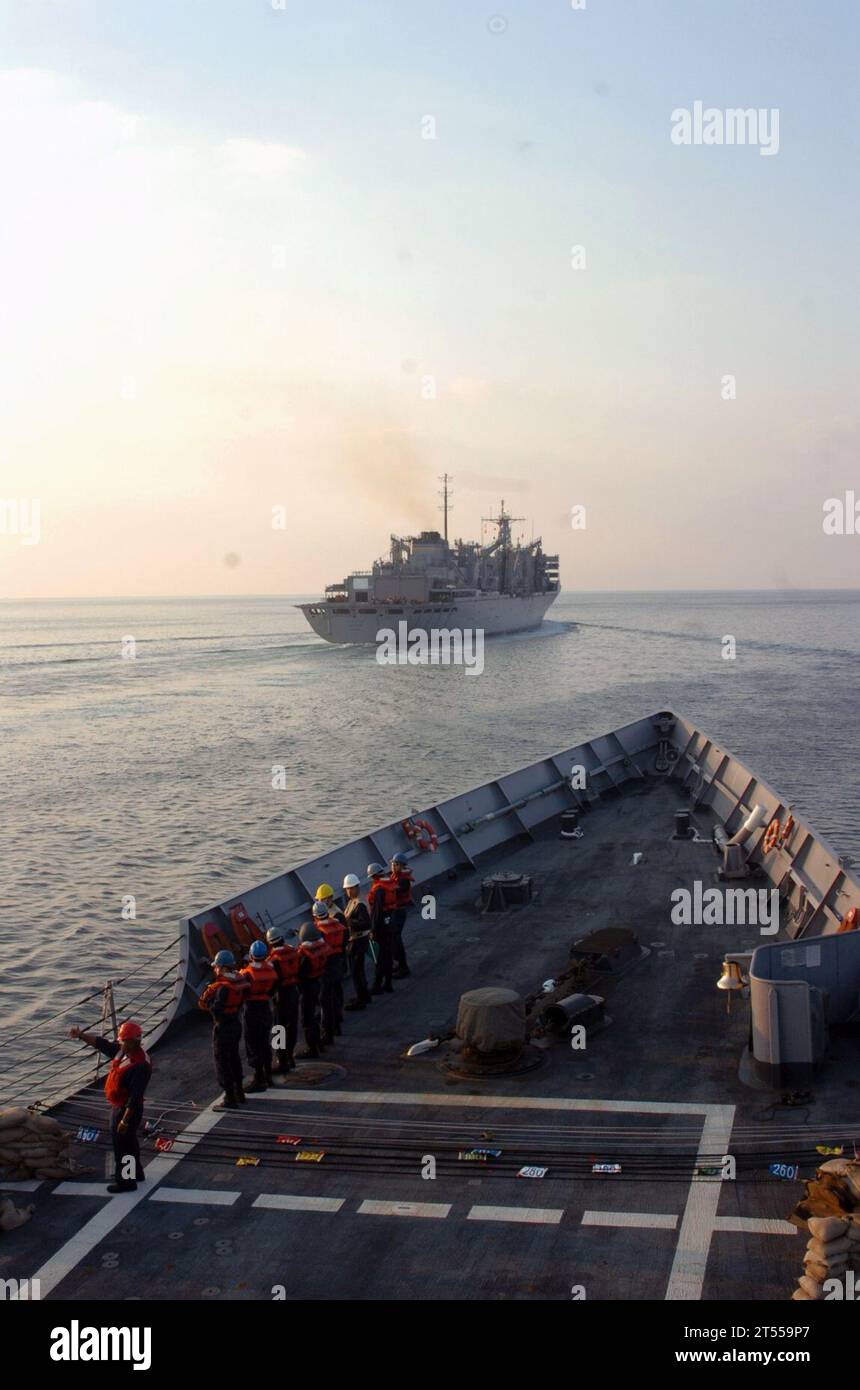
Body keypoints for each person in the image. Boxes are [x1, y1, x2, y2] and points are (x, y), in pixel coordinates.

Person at [68, 1019, 152, 1192]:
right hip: (121, 1107)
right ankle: (136, 1173)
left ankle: (127, 1182)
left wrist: (125, 1121)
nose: (119, 1043)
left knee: (123, 1147)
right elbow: (102, 1045)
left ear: (132, 1041)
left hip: (127, 1111)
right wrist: (81, 1035)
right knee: (129, 1142)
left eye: (122, 1040)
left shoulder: (140, 1066)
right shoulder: (124, 1052)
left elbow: (135, 1098)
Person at [198, 949, 250, 1109]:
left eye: (217, 966)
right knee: (234, 1057)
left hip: (224, 1026)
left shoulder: (222, 988)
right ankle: (240, 1091)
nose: (215, 969)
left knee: (222, 1060)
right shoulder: (239, 982)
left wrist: (209, 1004)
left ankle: (230, 1096)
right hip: (236, 1022)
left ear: (222, 968)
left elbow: (215, 1008)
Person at [239, 939, 278, 1092]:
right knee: (265, 1041)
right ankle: (268, 1074)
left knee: (253, 1043)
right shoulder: (272, 969)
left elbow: (242, 991)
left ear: (251, 955)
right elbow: (273, 988)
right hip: (265, 1008)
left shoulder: (247, 973)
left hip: (252, 1010)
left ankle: (259, 1076)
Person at [266, 927, 300, 1073]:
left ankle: (281, 1060)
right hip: (294, 991)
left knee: (278, 1028)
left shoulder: (273, 961)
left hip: (281, 996)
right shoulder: (293, 951)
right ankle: (290, 1056)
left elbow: (273, 982)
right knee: (292, 1025)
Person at [313, 899, 347, 1043]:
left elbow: (317, 953)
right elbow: (344, 941)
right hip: (338, 963)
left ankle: (327, 1033)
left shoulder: (318, 931)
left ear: (315, 916)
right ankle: (338, 1024)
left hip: (325, 967)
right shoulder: (338, 925)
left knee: (325, 1000)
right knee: (337, 993)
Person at [295, 921, 328, 1058]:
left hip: (303, 990)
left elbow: (300, 973)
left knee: (305, 1019)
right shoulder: (320, 948)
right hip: (317, 984)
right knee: (313, 1016)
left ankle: (281, 1055)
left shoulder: (303, 955)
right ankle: (319, 1043)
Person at [342, 872, 372, 1010]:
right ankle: (364, 995)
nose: (348, 891)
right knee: (358, 971)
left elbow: (366, 924)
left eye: (350, 888)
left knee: (356, 971)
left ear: (356, 888)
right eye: (347, 889)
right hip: (356, 940)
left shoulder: (359, 905)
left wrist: (350, 922)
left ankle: (361, 1000)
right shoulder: (352, 902)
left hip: (358, 941)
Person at [367, 862, 396, 995]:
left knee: (379, 957)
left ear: (374, 877)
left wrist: (373, 930)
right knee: (388, 954)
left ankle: (377, 985)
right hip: (389, 922)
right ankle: (388, 983)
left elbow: (376, 912)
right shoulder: (389, 885)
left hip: (380, 928)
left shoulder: (379, 889)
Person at [388, 851, 415, 979]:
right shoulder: (394, 877)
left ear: (402, 866)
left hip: (399, 912)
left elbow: (394, 891)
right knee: (394, 939)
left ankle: (404, 967)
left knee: (396, 939)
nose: (393, 866)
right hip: (394, 912)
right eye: (393, 863)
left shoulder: (404, 881)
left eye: (396, 864)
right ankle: (399, 964)